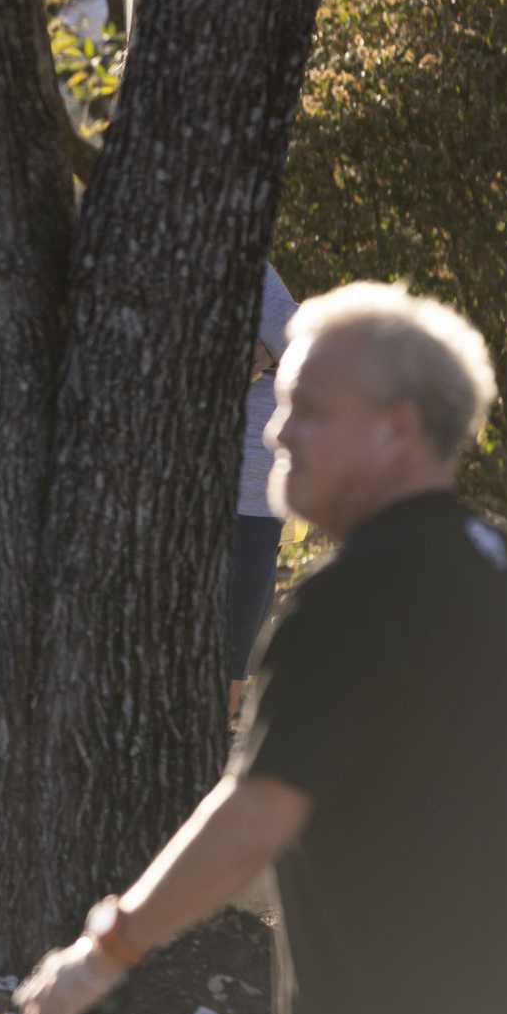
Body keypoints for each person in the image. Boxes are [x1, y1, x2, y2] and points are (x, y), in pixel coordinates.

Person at [16, 283, 507, 1014]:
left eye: (309, 408)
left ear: (397, 427)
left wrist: (101, 955)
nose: (277, 429)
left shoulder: (356, 594)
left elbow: (257, 814)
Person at [227, 264, 299, 720]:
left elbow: (309, 346)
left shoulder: (243, 258)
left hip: (251, 494)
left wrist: (271, 355)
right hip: (162, 490)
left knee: (234, 651)